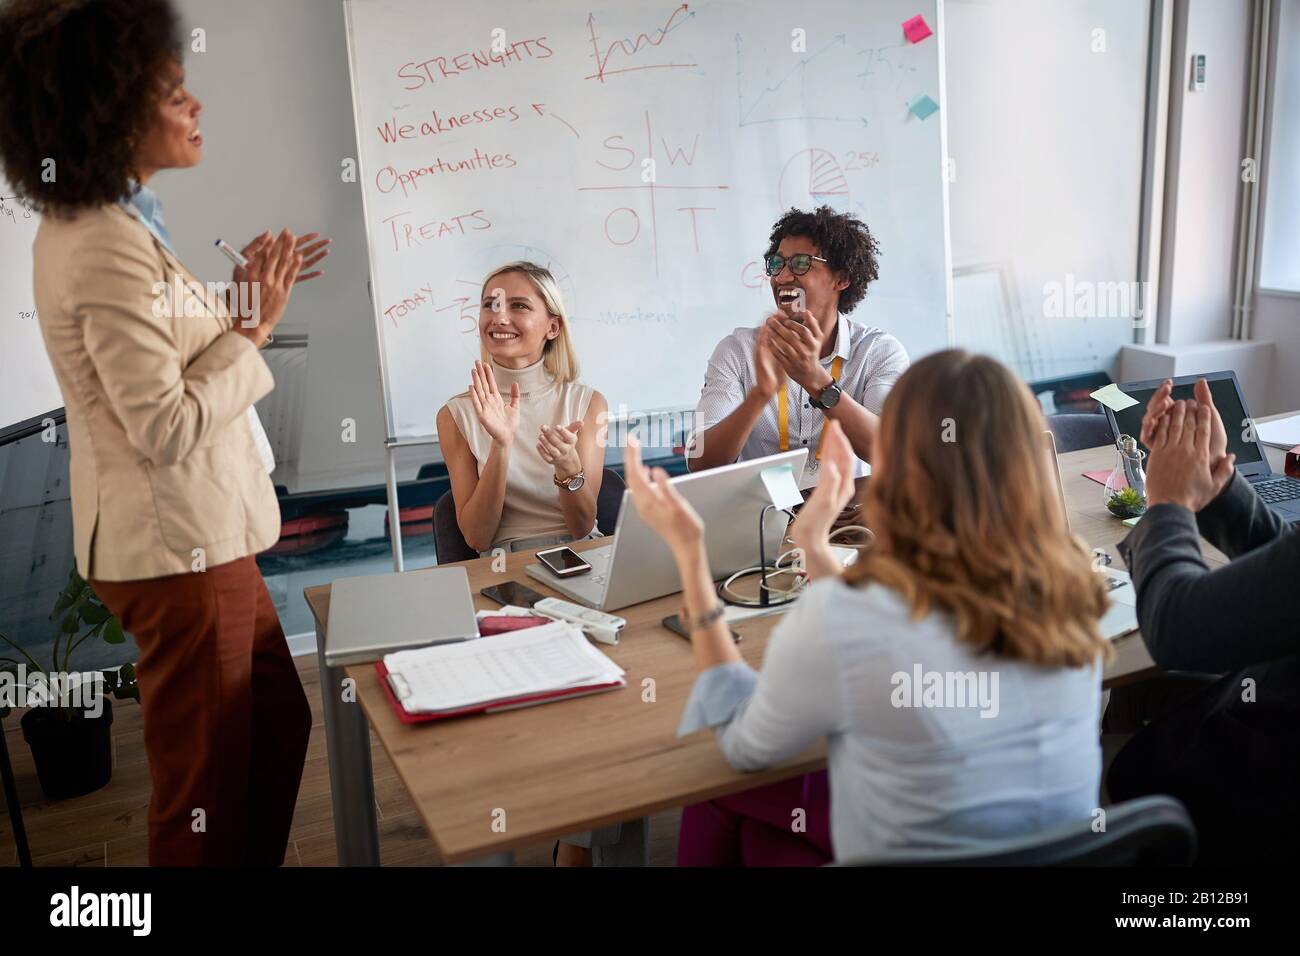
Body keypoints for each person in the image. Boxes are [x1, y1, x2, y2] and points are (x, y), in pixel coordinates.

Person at [0, 0, 329, 864]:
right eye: (174, 92)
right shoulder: (102, 240)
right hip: (177, 545)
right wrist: (253, 330)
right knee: (203, 797)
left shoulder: (115, 217)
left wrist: (239, 306)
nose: (197, 108)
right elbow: (164, 423)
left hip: (200, 537)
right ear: (108, 110)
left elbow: (159, 357)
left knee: (272, 725)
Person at [625, 350, 1113, 865]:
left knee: (722, 790)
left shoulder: (847, 616)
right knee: (763, 840)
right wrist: (814, 545)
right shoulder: (1077, 587)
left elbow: (746, 746)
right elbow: (876, 633)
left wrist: (690, 556)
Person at [1105, 378, 1300, 865]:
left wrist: (1168, 502)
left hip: (1253, 801)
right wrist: (1214, 487)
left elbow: (1176, 629)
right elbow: (1286, 571)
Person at [687, 205, 908, 487]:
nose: (781, 278)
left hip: (847, 522)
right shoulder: (737, 351)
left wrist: (817, 381)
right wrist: (760, 394)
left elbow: (891, 453)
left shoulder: (878, 352)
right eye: (777, 263)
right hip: (764, 522)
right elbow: (701, 462)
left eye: (801, 263)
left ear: (841, 278)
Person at [437, 261, 608, 554]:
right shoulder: (455, 415)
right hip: (504, 563)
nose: (499, 317)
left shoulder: (588, 403)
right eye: (490, 305)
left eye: (519, 306)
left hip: (582, 554)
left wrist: (567, 465)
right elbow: (477, 538)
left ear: (552, 327)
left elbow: (582, 527)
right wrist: (501, 446)